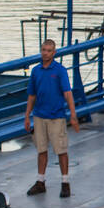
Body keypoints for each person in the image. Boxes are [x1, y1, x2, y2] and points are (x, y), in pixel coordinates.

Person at [24, 39, 80, 197]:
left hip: (56, 116)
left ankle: (65, 182)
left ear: (54, 53)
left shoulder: (60, 71)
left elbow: (67, 93)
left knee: (61, 150)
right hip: (39, 116)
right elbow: (32, 95)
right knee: (41, 150)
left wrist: (73, 115)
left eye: (49, 50)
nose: (45, 53)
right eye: (43, 50)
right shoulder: (36, 71)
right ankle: (40, 181)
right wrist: (27, 115)